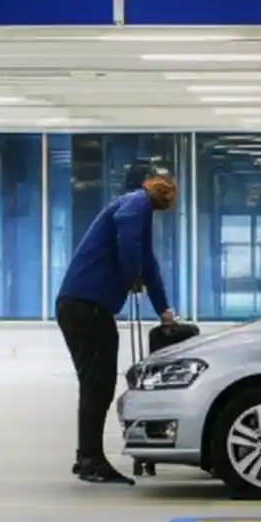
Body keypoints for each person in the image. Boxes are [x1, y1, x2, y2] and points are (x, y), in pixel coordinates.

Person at [55, 164, 177, 485]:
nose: (167, 191)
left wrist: (164, 309)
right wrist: (130, 273)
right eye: (162, 184)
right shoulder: (135, 202)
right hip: (85, 307)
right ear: (148, 183)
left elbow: (147, 262)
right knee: (99, 382)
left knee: (96, 383)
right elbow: (132, 244)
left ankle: (88, 457)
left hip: (83, 306)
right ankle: (90, 459)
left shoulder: (141, 213)